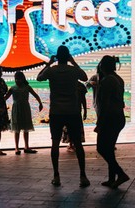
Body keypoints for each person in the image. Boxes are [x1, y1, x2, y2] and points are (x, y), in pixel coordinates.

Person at [37, 45, 90, 187]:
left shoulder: (52, 70)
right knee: (78, 144)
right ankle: (83, 176)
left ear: (57, 57)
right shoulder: (73, 70)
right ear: (68, 57)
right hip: (73, 111)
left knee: (55, 143)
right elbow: (84, 77)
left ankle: (56, 176)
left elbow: (39, 78)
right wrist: (73, 62)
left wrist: (49, 63)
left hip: (56, 112)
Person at [94, 55, 130, 188]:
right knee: (109, 148)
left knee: (102, 148)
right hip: (118, 117)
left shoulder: (107, 81)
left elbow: (105, 104)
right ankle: (111, 179)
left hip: (110, 118)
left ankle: (120, 174)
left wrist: (100, 123)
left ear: (102, 66)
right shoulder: (118, 79)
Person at [5, 71, 43, 155]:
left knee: (26, 128)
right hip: (16, 109)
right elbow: (5, 98)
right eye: (16, 79)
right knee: (17, 128)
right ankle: (16, 147)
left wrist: (40, 103)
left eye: (18, 79)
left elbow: (35, 95)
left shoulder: (27, 87)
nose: (17, 80)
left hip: (25, 108)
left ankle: (26, 146)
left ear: (22, 79)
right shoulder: (13, 88)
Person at [62, 82, 88, 152]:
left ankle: (71, 144)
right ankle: (75, 144)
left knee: (69, 127)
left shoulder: (65, 84)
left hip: (67, 110)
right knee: (76, 128)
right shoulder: (81, 86)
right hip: (76, 110)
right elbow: (83, 100)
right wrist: (85, 111)